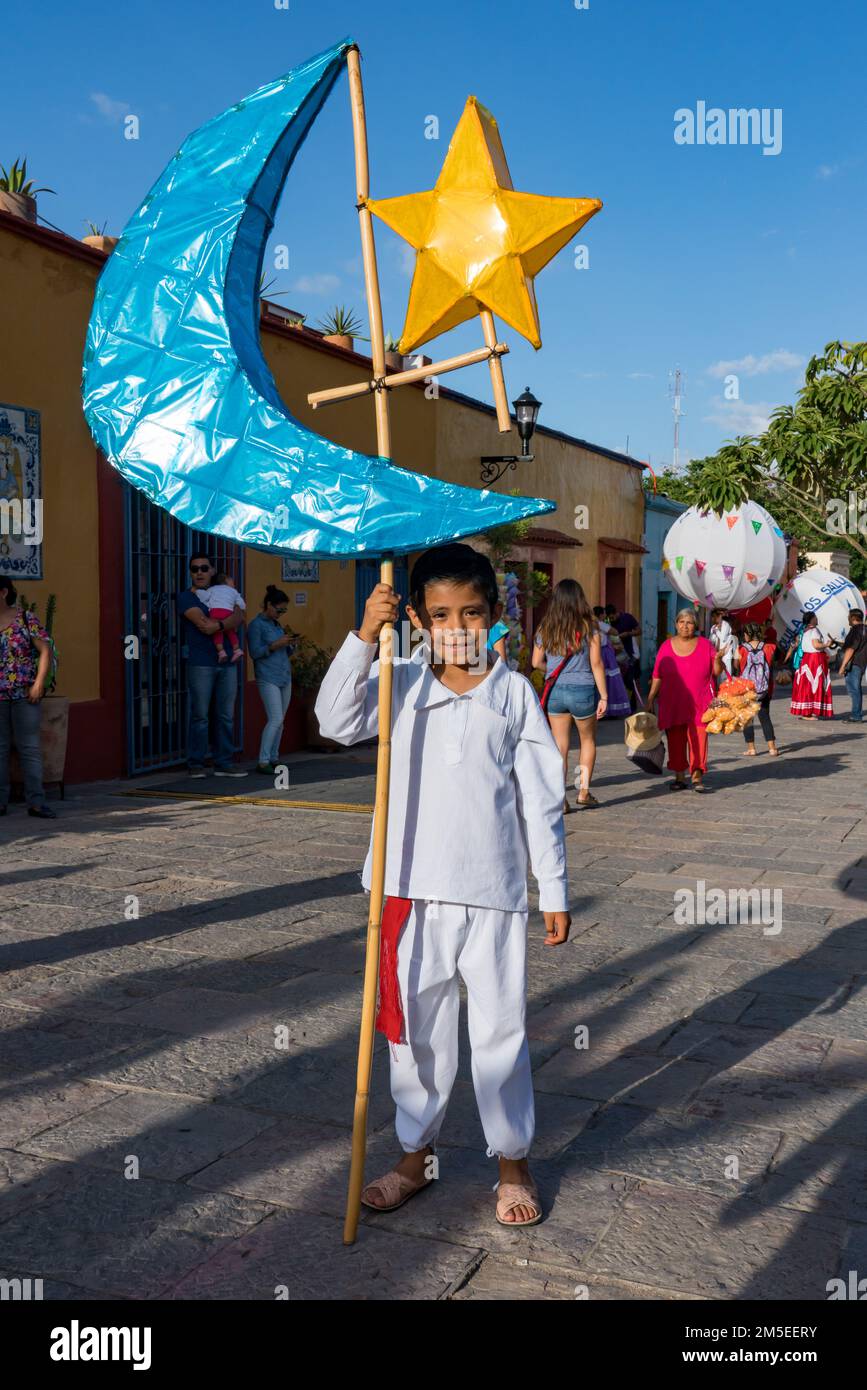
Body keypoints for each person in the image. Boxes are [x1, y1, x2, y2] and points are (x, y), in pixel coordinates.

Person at [315, 542, 570, 1227]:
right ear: (420, 621)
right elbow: (333, 723)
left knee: (500, 1033)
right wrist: (365, 637)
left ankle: (511, 1163)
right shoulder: (399, 681)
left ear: (494, 618)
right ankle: (415, 1156)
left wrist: (553, 887)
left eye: (471, 612)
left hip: (493, 893)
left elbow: (541, 797)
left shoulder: (512, 692)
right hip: (406, 893)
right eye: (438, 614)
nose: (456, 627)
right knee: (415, 1037)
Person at [533, 581, 607, 810]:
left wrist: (554, 672)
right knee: (587, 741)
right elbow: (596, 663)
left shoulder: (546, 627)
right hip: (583, 690)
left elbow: (536, 663)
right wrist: (603, 695)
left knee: (560, 746)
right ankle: (583, 792)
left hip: (555, 691)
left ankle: (560, 799)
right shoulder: (589, 627)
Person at [176, 553, 248, 778]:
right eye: (194, 569)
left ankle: (223, 762)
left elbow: (241, 616)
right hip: (201, 663)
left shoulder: (225, 591)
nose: (199, 572)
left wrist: (219, 623)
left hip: (227, 664)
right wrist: (225, 623)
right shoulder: (187, 597)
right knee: (200, 715)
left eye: (204, 568)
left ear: (212, 571)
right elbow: (204, 624)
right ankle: (196, 763)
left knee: (225, 714)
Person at [647, 607, 723, 791]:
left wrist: (719, 658)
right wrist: (650, 698)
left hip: (700, 702)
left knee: (699, 738)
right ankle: (679, 776)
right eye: (681, 622)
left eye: (689, 622)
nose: (685, 626)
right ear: (676, 624)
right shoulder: (666, 646)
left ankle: (697, 775)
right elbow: (657, 675)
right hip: (672, 702)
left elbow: (716, 672)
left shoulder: (706, 645)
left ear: (695, 625)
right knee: (676, 740)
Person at [0, 574, 56, 819]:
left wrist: (39, 683)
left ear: (3, 592)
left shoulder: (25, 618)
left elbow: (45, 650)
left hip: (24, 694)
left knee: (29, 749)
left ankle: (36, 802)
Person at [247, 585, 294, 773]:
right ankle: (263, 761)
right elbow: (255, 653)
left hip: (284, 675)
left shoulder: (277, 625)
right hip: (267, 677)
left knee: (280, 721)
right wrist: (275, 645)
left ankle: (274, 757)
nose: (280, 613)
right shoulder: (255, 626)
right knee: (274, 718)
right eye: (278, 609)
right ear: (268, 605)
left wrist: (290, 644)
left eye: (284, 610)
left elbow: (283, 651)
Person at [737, 622, 779, 756]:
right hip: (764, 688)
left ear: (748, 634)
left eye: (744, 633)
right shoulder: (769, 647)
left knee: (747, 718)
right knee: (765, 717)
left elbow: (736, 665)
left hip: (747, 689)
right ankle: (772, 748)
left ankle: (751, 748)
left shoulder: (741, 649)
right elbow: (774, 663)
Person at [788, 612, 833, 720]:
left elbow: (797, 644)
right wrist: (827, 644)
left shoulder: (803, 631)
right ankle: (810, 711)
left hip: (806, 659)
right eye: (815, 618)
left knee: (806, 685)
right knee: (815, 684)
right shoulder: (814, 630)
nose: (817, 619)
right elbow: (816, 645)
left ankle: (806, 711)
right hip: (815, 659)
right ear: (811, 619)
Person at [199, 571, 246, 663]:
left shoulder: (212, 589)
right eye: (232, 581)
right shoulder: (234, 591)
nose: (234, 584)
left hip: (215, 612)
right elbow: (241, 604)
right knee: (231, 631)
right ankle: (237, 650)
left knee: (217, 631)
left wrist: (199, 594)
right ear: (227, 580)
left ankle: (221, 652)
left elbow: (204, 598)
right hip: (228, 612)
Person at [592, 606, 631, 717]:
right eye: (604, 614)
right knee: (611, 680)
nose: (605, 616)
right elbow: (615, 631)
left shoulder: (590, 625)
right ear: (600, 615)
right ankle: (611, 708)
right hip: (605, 654)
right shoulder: (600, 624)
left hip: (597, 652)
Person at [606, 603, 641, 708]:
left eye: (612, 617)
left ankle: (632, 706)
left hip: (631, 654)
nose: (611, 620)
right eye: (609, 618)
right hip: (616, 656)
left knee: (630, 681)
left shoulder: (627, 618)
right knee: (618, 682)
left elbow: (639, 631)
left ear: (616, 613)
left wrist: (628, 634)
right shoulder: (608, 623)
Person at [838, 609, 867, 723]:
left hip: (854, 663)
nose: (848, 618)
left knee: (854, 690)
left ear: (853, 618)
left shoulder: (856, 630)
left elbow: (851, 649)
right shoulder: (864, 629)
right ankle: (856, 714)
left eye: (849, 616)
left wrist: (842, 666)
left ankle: (856, 715)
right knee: (856, 689)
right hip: (861, 662)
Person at [709, 607, 736, 678]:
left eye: (713, 617)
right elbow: (711, 641)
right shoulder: (713, 627)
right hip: (717, 654)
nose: (712, 619)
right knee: (718, 676)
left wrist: (716, 631)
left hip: (726, 654)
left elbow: (723, 638)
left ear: (718, 617)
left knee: (725, 675)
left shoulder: (726, 625)